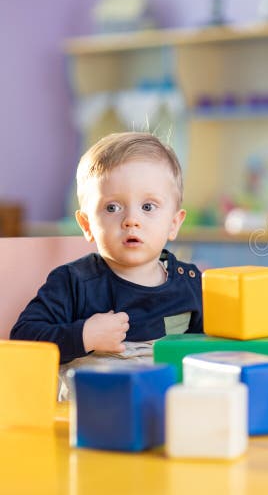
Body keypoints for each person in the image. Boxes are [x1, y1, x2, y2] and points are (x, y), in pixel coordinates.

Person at [11, 132, 203, 398]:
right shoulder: (73, 282)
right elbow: (24, 338)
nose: (131, 220)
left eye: (148, 206)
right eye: (112, 208)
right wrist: (84, 336)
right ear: (87, 225)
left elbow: (210, 355)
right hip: (88, 415)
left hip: (165, 412)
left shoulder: (190, 283)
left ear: (174, 222)